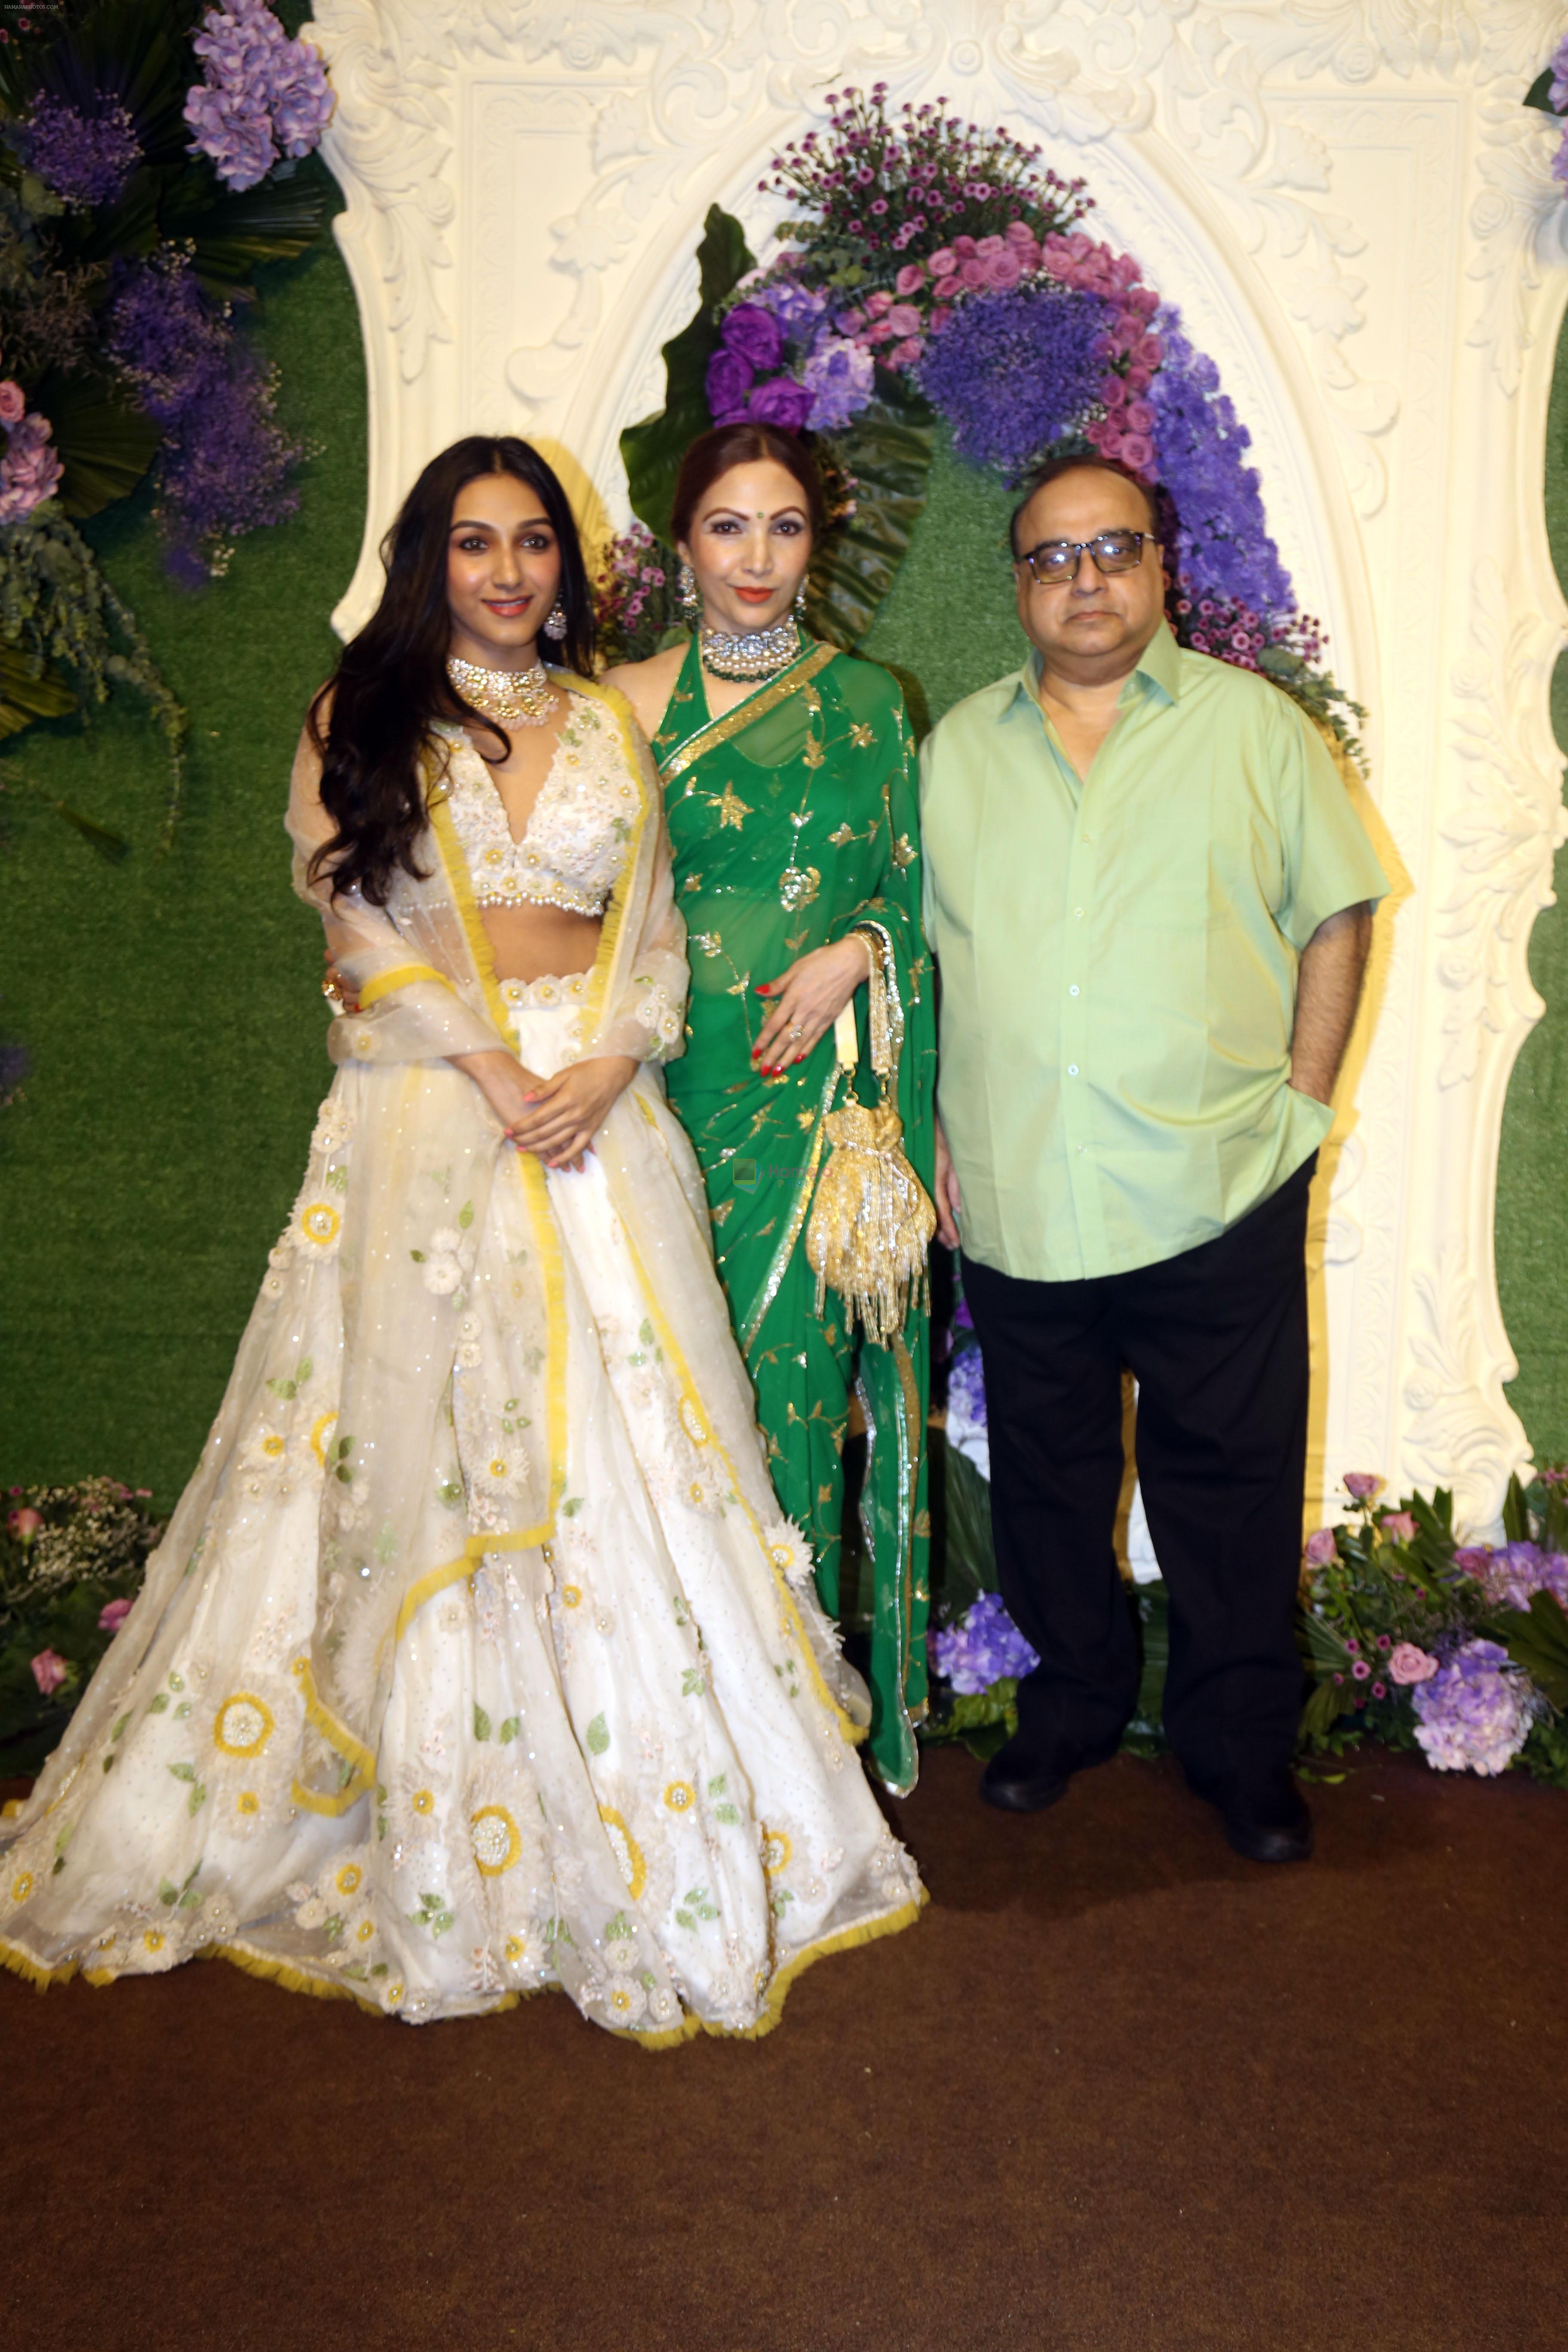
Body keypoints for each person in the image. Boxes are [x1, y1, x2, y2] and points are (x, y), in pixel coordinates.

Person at [0, 436, 922, 2034]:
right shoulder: (356, 719)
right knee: (424, 1446)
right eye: (476, 545)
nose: (509, 574)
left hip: (596, 1113)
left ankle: (646, 1812)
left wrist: (613, 1063)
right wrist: (494, 1066)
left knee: (623, 1450)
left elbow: (653, 933)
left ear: (571, 566)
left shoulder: (603, 721)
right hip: (437, 1109)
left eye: (537, 546)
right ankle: (437, 1815)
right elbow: (354, 929)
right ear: (429, 560)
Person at [920, 454, 1388, 1862]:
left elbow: (1339, 912)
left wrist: (1302, 1110)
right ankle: (1070, 1705)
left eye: (1113, 547)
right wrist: (934, 1136)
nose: (1087, 579)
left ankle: (1239, 1748)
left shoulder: (1253, 728)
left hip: (1215, 1187)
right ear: (1018, 583)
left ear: (1161, 564)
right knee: (1050, 1480)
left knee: (1228, 1488)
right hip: (1014, 1194)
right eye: (1054, 557)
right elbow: (922, 960)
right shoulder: (957, 751)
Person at [608, 423, 936, 1797]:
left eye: (786, 526)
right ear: (682, 542)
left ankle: (793, 1737)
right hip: (662, 1097)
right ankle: (658, 1729)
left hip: (825, 1108)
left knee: (794, 1400)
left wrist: (864, 949)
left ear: (821, 539)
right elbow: (571, 901)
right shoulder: (616, 705)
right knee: (663, 1397)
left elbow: (919, 899)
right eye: (729, 526)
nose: (757, 557)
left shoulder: (871, 702)